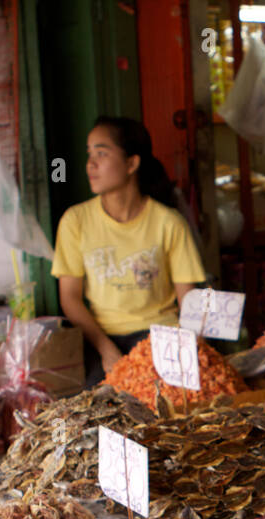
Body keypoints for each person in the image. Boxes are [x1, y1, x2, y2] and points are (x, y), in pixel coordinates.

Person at [52, 116, 206, 386]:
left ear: (132, 163)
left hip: (163, 336)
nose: (91, 164)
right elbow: (70, 298)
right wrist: (106, 349)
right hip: (102, 338)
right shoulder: (75, 221)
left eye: (102, 153)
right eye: (89, 154)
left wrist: (195, 346)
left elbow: (189, 300)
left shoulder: (168, 222)